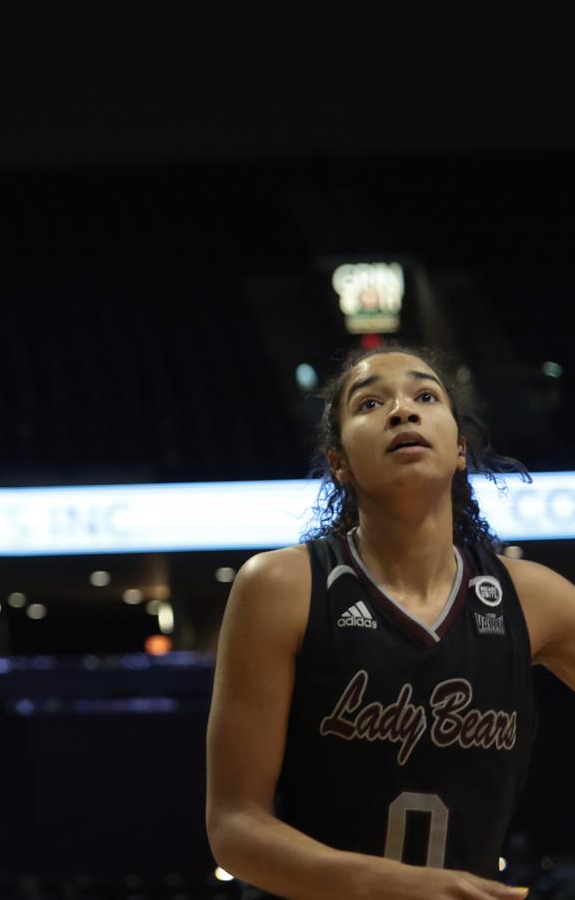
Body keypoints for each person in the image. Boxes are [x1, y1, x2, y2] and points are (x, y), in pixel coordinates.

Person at [206, 346, 575, 899]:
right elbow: (234, 827)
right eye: (371, 402)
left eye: (425, 396)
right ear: (340, 463)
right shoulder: (280, 587)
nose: (403, 411)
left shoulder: (535, 597)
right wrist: (392, 886)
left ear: (458, 449)